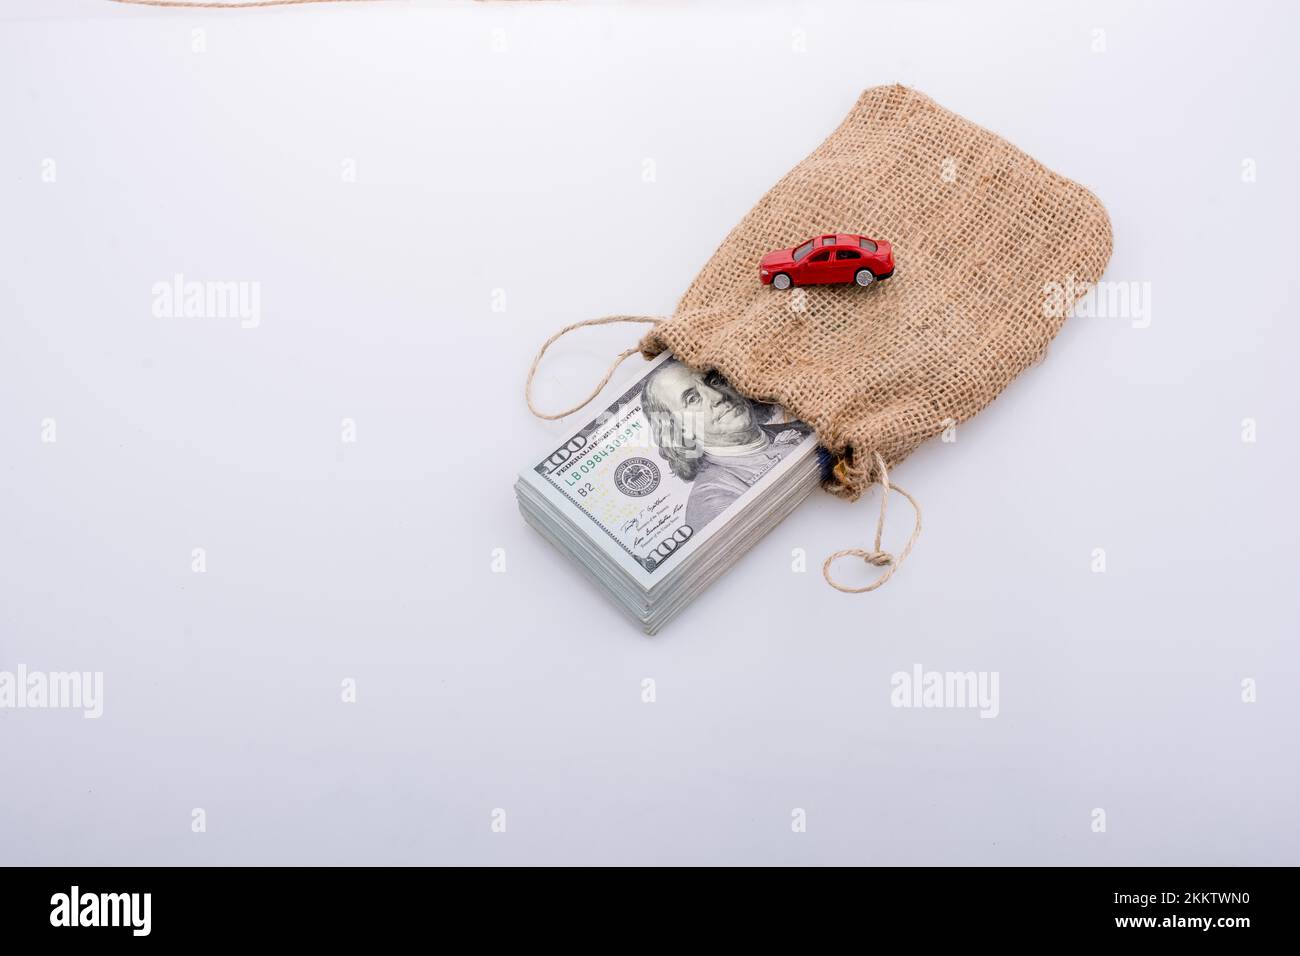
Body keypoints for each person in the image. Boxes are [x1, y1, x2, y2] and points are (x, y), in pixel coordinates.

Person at [641, 361, 810, 531]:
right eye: (692, 399)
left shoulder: (806, 426)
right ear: (680, 429)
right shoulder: (713, 498)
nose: (717, 396)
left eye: (714, 382)